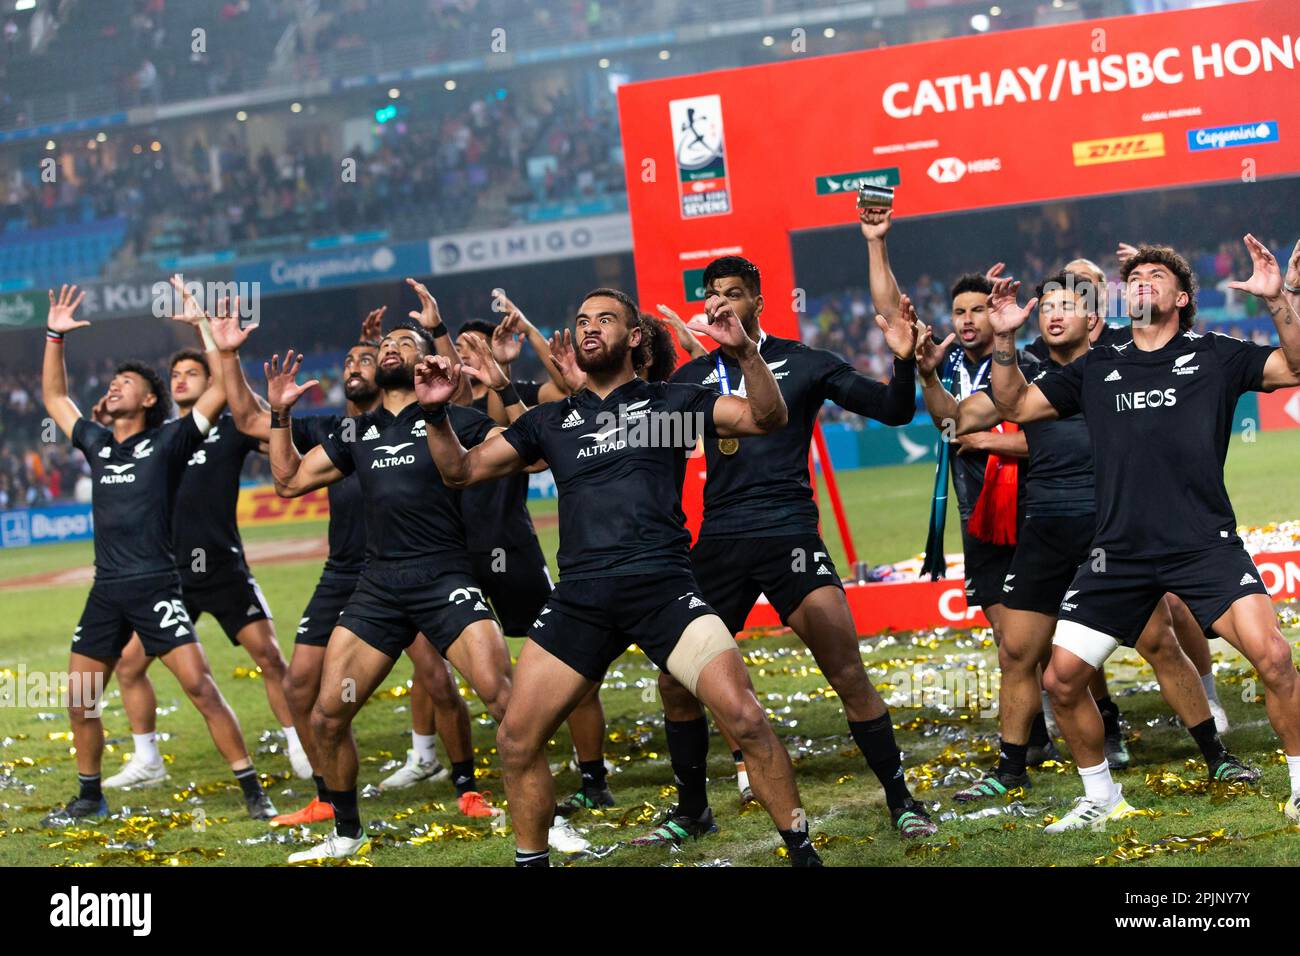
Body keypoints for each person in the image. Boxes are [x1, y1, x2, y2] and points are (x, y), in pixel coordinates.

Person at [419, 287, 825, 867]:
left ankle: (803, 853)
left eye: (605, 319)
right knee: (515, 739)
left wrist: (747, 355)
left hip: (663, 588)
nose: (589, 328)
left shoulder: (674, 401)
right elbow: (460, 470)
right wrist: (435, 412)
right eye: (581, 319)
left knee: (746, 718)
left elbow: (769, 417)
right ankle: (531, 860)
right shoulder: (551, 423)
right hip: (581, 599)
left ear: (634, 337)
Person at [983, 238, 1300, 830]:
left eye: (1156, 275)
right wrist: (1003, 339)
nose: (1141, 282)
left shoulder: (1216, 353)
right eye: (1133, 276)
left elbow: (1296, 365)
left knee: (1275, 658)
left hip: (1203, 544)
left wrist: (1279, 299)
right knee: (1062, 679)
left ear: (1181, 296)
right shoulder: (1099, 363)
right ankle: (1101, 800)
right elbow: (1017, 407)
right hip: (1117, 555)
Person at [915, 273, 1254, 804]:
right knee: (1018, 654)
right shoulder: (1023, 372)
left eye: (1067, 305)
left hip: (1109, 530)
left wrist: (1006, 446)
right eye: (1046, 305)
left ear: (1093, 319)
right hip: (1045, 528)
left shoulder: (1117, 363)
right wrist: (928, 375)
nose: (1053, 314)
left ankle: (1214, 753)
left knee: (1160, 644)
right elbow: (957, 421)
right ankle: (1012, 767)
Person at [635, 255, 937, 846]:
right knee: (675, 682)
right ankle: (693, 810)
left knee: (846, 671)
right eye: (712, 295)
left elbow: (895, 409)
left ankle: (902, 798)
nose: (720, 303)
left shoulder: (805, 364)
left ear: (758, 301)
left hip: (790, 536)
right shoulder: (690, 382)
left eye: (733, 293)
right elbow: (648, 452)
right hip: (719, 541)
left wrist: (903, 361)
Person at [265, 304, 517, 863]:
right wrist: (280, 416)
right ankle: (348, 830)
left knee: (506, 700)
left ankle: (538, 820)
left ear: (426, 359)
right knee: (329, 716)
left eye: (403, 342)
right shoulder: (355, 430)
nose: (388, 350)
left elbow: (530, 451)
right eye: (384, 346)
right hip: (378, 586)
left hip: (445, 575)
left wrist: (498, 383)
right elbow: (287, 482)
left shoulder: (456, 417)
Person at [39, 283, 275, 825]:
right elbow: (56, 399)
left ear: (149, 400)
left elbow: (219, 385)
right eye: (114, 381)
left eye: (128, 383)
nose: (115, 386)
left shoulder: (170, 441)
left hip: (156, 584)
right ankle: (90, 796)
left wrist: (203, 329)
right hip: (107, 591)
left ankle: (252, 789)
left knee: (200, 687)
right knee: (80, 699)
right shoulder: (99, 444)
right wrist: (54, 335)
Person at [107, 296, 298, 787]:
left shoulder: (230, 429)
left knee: (270, 657)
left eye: (192, 373)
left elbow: (258, 416)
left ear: (209, 382)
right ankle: (147, 759)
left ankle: (298, 741)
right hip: (170, 577)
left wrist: (204, 332)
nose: (181, 380)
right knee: (128, 666)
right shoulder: (163, 440)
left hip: (225, 569)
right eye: (175, 375)